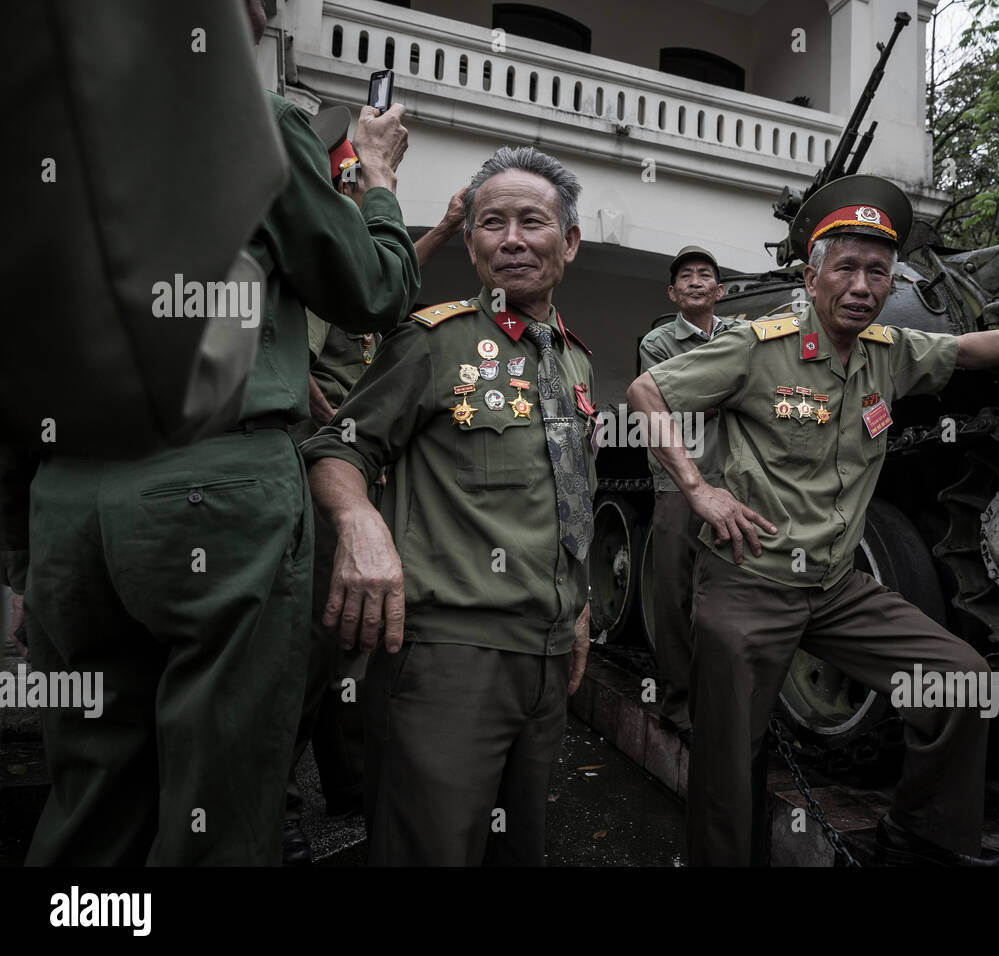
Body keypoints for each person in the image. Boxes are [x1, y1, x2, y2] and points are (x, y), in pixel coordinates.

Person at [8, 0, 421, 865]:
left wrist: (22, 550)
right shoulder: (251, 121)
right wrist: (378, 182)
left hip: (64, 500)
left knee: (89, 802)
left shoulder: (33, 118)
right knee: (218, 807)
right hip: (214, 490)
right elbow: (373, 290)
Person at [626, 174, 999, 867]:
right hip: (751, 586)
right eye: (846, 268)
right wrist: (698, 489)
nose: (863, 285)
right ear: (812, 278)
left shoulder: (890, 353)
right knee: (727, 766)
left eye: (878, 271)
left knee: (959, 683)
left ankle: (924, 834)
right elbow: (648, 390)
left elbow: (968, 349)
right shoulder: (757, 345)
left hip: (837, 590)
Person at [300, 145, 597, 866]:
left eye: (534, 221)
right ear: (469, 244)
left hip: (549, 656)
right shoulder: (433, 341)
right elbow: (339, 445)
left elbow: (568, 491)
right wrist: (358, 520)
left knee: (516, 849)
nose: (513, 239)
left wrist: (578, 606)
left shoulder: (575, 358)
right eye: (492, 223)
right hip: (447, 658)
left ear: (571, 241)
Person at [281, 184, 469, 867]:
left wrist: (447, 225)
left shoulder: (370, 291)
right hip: (319, 467)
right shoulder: (324, 286)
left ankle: (351, 783)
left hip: (363, 466)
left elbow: (387, 288)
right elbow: (295, 361)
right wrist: (341, 422)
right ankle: (280, 807)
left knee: (356, 640)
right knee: (310, 641)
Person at [637, 246, 744, 744]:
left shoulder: (740, 336)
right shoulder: (659, 343)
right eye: (686, 277)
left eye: (706, 275)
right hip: (681, 483)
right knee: (674, 595)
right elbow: (676, 406)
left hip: (735, 481)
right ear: (673, 293)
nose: (696, 282)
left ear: (719, 291)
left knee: (725, 594)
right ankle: (678, 706)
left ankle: (721, 701)